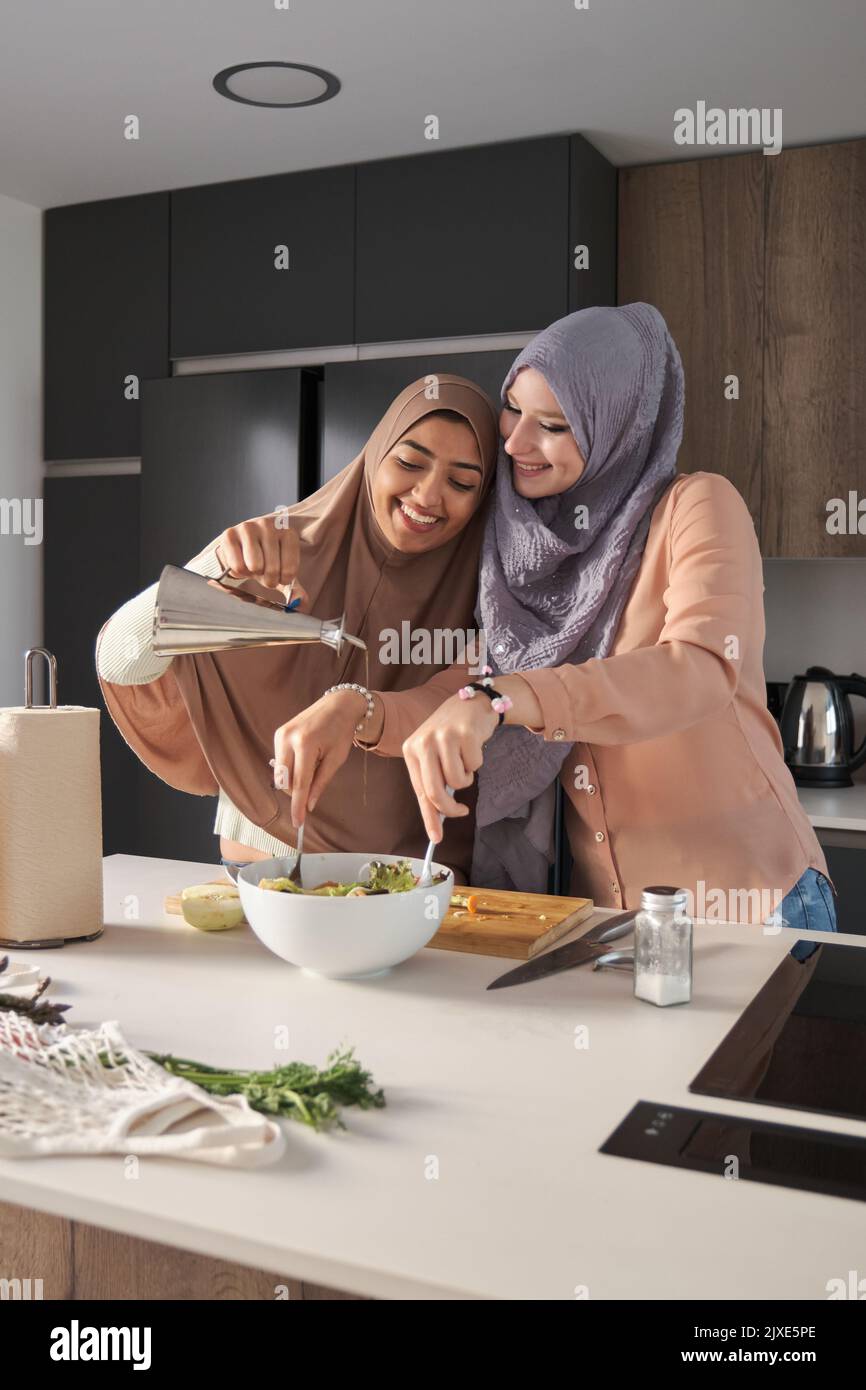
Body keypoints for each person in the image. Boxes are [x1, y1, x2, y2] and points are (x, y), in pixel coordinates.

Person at [377, 305, 836, 932]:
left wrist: (503, 697)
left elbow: (699, 670)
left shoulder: (698, 505)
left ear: (616, 425)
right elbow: (455, 677)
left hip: (752, 900)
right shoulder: (516, 548)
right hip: (615, 918)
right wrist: (358, 711)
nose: (514, 443)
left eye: (555, 425)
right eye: (513, 407)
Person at [96, 375, 498, 882]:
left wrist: (356, 705)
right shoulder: (280, 550)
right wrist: (213, 566)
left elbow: (460, 697)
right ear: (376, 455)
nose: (428, 495)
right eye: (410, 463)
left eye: (461, 482)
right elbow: (120, 660)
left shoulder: (491, 592)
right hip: (267, 867)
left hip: (413, 882)